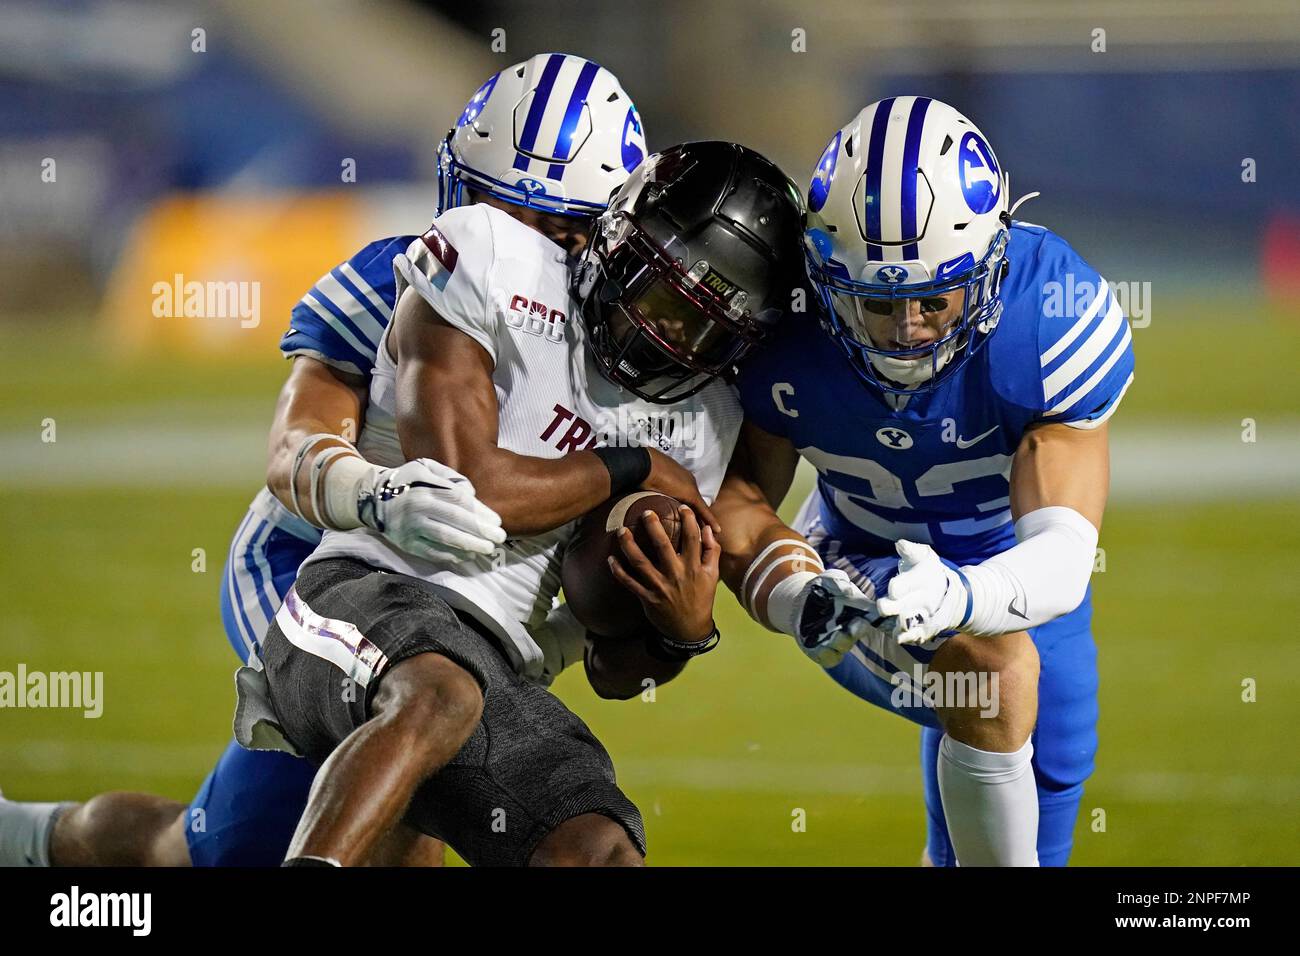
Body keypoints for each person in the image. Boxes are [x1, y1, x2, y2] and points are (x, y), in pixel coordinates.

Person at [0, 52, 642, 868]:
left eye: (545, 225)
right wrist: (374, 494)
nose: (499, 239)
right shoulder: (399, 276)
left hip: (459, 606)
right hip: (312, 566)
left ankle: (27, 841)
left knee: (211, 851)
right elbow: (294, 448)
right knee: (408, 769)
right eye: (488, 205)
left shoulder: (621, 339)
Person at [247, 139, 808, 866]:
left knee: (599, 850)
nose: (667, 332)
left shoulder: (707, 419)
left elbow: (613, 674)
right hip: (363, 594)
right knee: (437, 696)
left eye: (702, 325)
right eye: (664, 296)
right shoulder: (494, 260)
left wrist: (678, 633)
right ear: (619, 243)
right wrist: (630, 462)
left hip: (499, 670)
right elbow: (470, 486)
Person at [715, 96, 1134, 866]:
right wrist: (795, 590)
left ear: (990, 264)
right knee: (994, 680)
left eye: (932, 300)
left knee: (1057, 750)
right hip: (852, 556)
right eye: (878, 302)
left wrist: (965, 596)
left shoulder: (1047, 313)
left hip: (1001, 554)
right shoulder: (783, 324)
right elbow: (737, 502)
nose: (907, 331)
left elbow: (1065, 555)